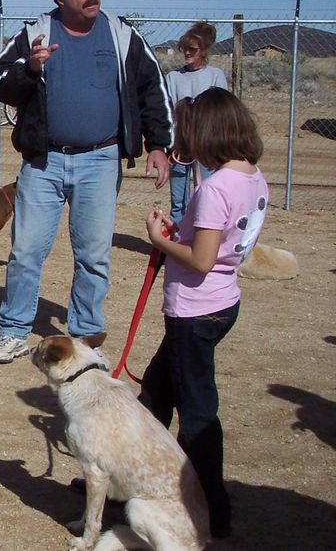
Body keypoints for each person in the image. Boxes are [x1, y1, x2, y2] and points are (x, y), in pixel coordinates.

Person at [0, 0, 172, 364]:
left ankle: (86, 337)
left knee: (93, 254)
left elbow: (151, 90)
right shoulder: (36, 33)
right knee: (26, 251)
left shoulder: (122, 36)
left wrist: (159, 143)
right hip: (44, 162)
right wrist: (31, 68)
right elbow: (0, 81)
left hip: (100, 161)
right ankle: (13, 331)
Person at [139, 87, 266, 539]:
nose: (183, 141)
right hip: (220, 304)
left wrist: (160, 239)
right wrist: (184, 231)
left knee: (197, 414)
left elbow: (201, 259)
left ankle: (213, 507)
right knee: (154, 396)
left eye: (188, 132)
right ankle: (123, 480)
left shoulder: (216, 188)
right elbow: (222, 243)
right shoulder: (253, 177)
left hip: (195, 310)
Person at [165, 22, 227, 222]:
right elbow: (168, 112)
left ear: (204, 51)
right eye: (185, 49)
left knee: (205, 197)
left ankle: (201, 244)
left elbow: (220, 113)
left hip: (206, 146)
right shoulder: (173, 77)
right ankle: (176, 245)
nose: (187, 53)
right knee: (178, 203)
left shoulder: (215, 76)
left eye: (193, 49)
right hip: (180, 147)